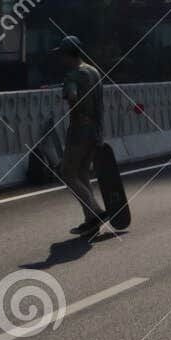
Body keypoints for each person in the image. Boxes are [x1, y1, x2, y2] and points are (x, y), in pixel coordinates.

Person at [56, 35, 110, 237]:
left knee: (68, 173)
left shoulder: (73, 75)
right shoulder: (94, 71)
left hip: (80, 129)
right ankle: (90, 220)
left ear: (66, 54)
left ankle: (96, 212)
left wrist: (74, 108)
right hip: (96, 129)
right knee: (82, 174)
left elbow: (72, 96)